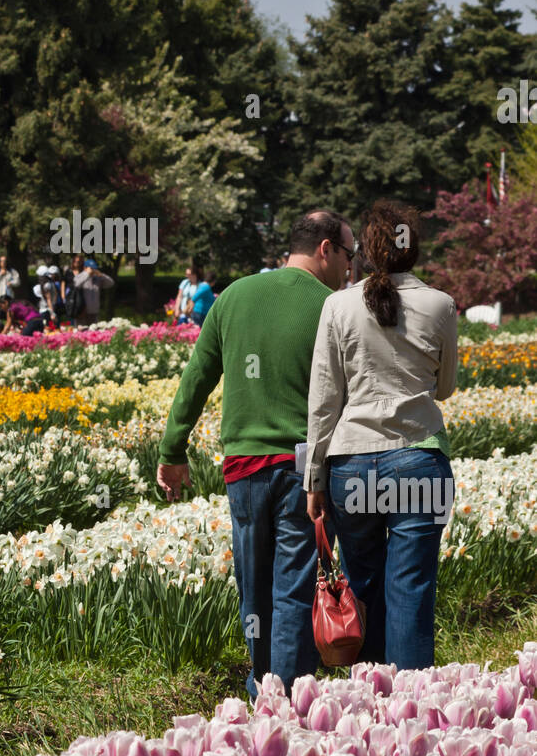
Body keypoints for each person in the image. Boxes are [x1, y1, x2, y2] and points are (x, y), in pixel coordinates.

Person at [156, 208, 354, 699]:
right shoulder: (332, 306)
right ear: (325, 249)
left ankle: (262, 686)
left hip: (242, 468)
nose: (351, 268)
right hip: (302, 468)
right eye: (349, 255)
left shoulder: (233, 298)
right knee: (293, 586)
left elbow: (196, 379)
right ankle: (286, 695)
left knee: (253, 587)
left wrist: (172, 450)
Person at [305, 202, 458, 671]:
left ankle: (369, 706)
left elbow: (324, 399)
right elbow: (446, 388)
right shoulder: (440, 304)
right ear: (413, 247)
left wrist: (314, 477)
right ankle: (412, 708)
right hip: (418, 460)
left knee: (363, 585)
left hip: (352, 464)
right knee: (411, 587)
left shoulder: (338, 305)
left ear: (367, 252)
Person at [71, 258, 113, 326]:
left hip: (94, 311)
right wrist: (87, 274)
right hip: (82, 312)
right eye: (91, 268)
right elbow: (76, 284)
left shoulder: (97, 279)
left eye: (94, 268)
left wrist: (101, 275)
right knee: (81, 333)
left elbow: (111, 283)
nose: (93, 270)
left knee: (94, 333)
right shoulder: (80, 276)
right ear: (85, 268)